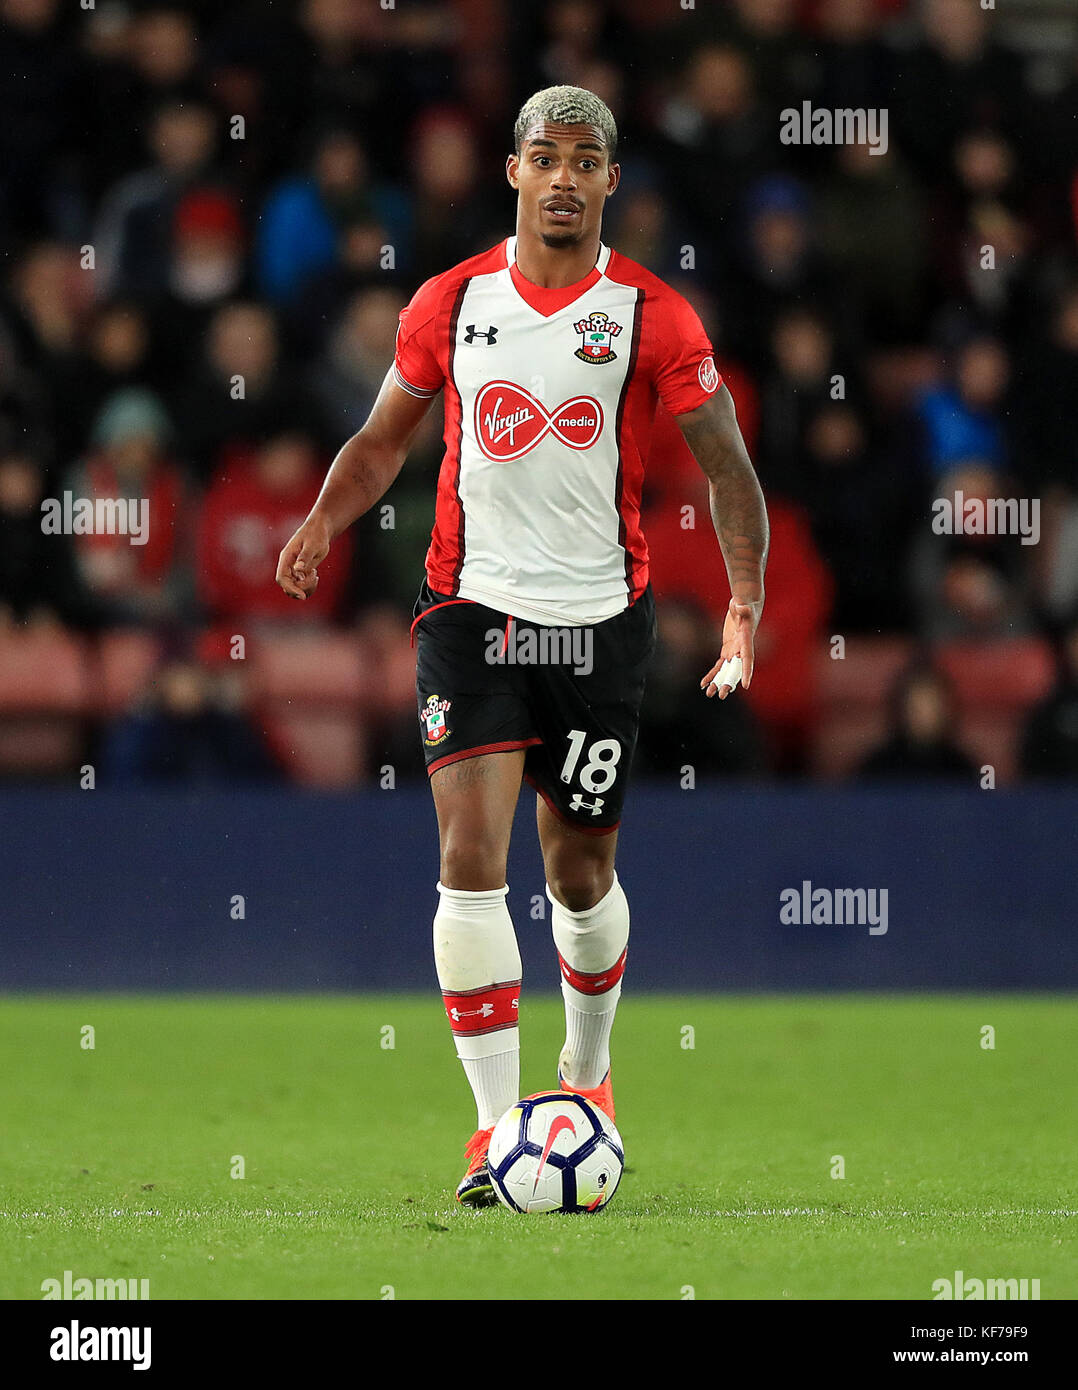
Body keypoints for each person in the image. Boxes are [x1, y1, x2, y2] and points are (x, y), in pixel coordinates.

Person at [274, 87, 769, 1205]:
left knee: (580, 873)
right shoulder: (451, 302)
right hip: (470, 610)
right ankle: (496, 1132)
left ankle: (584, 1081)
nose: (561, 176)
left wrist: (743, 601)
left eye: (583, 160)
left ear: (608, 184)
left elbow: (727, 466)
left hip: (600, 625)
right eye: (541, 156)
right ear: (511, 173)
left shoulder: (651, 315)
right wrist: (323, 516)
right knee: (467, 859)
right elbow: (381, 437)